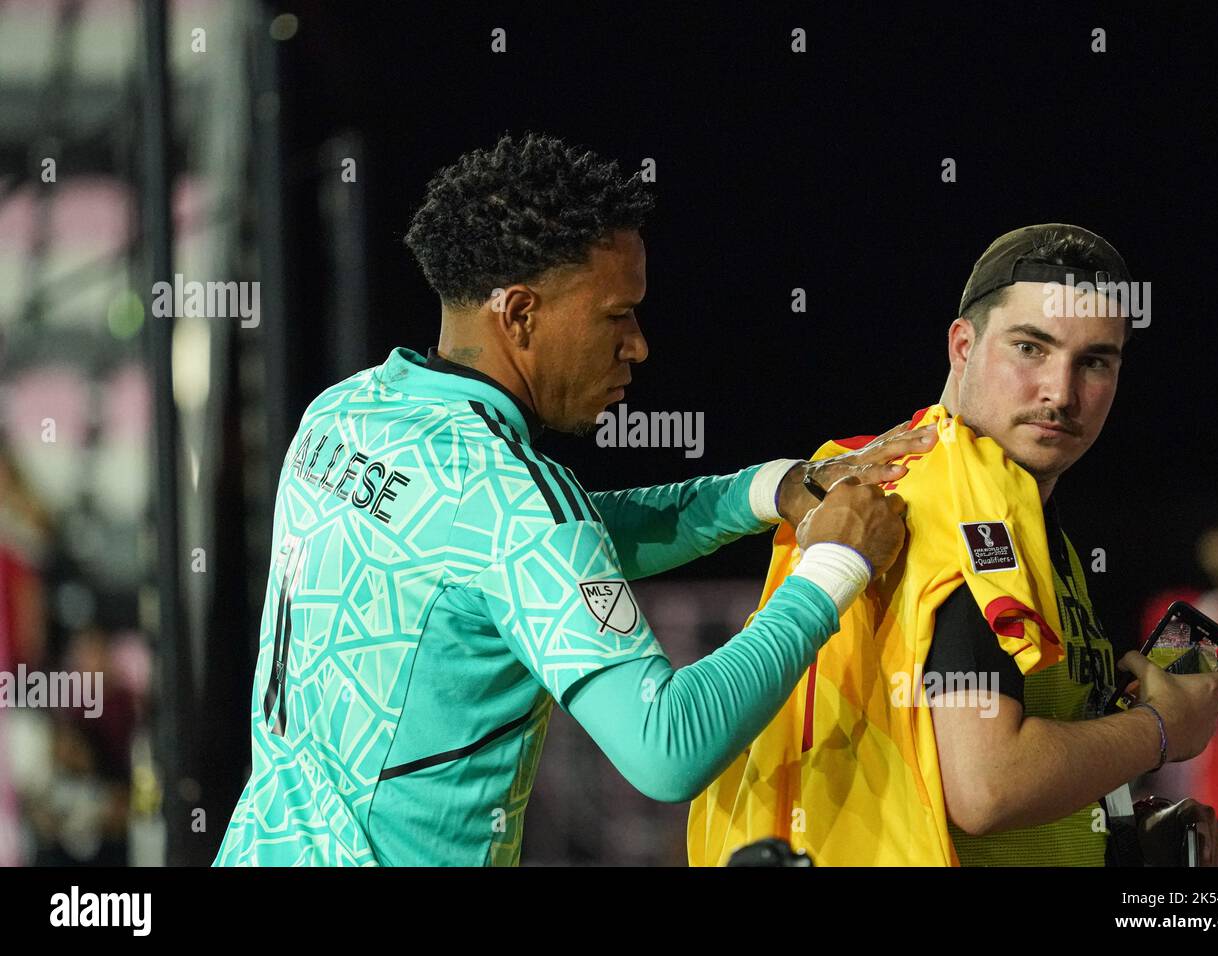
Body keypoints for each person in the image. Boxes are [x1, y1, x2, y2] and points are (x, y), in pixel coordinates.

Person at [214, 132, 937, 866]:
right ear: (521, 313)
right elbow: (666, 747)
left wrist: (770, 489)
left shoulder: (344, 412)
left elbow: (536, 556)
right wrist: (833, 567)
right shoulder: (507, 499)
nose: (638, 346)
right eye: (616, 315)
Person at [689, 224, 1218, 866]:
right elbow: (988, 787)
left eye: (1094, 361)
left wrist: (1113, 832)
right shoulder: (960, 505)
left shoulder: (1008, 501)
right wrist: (1161, 730)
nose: (1060, 392)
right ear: (963, 346)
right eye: (1031, 348)